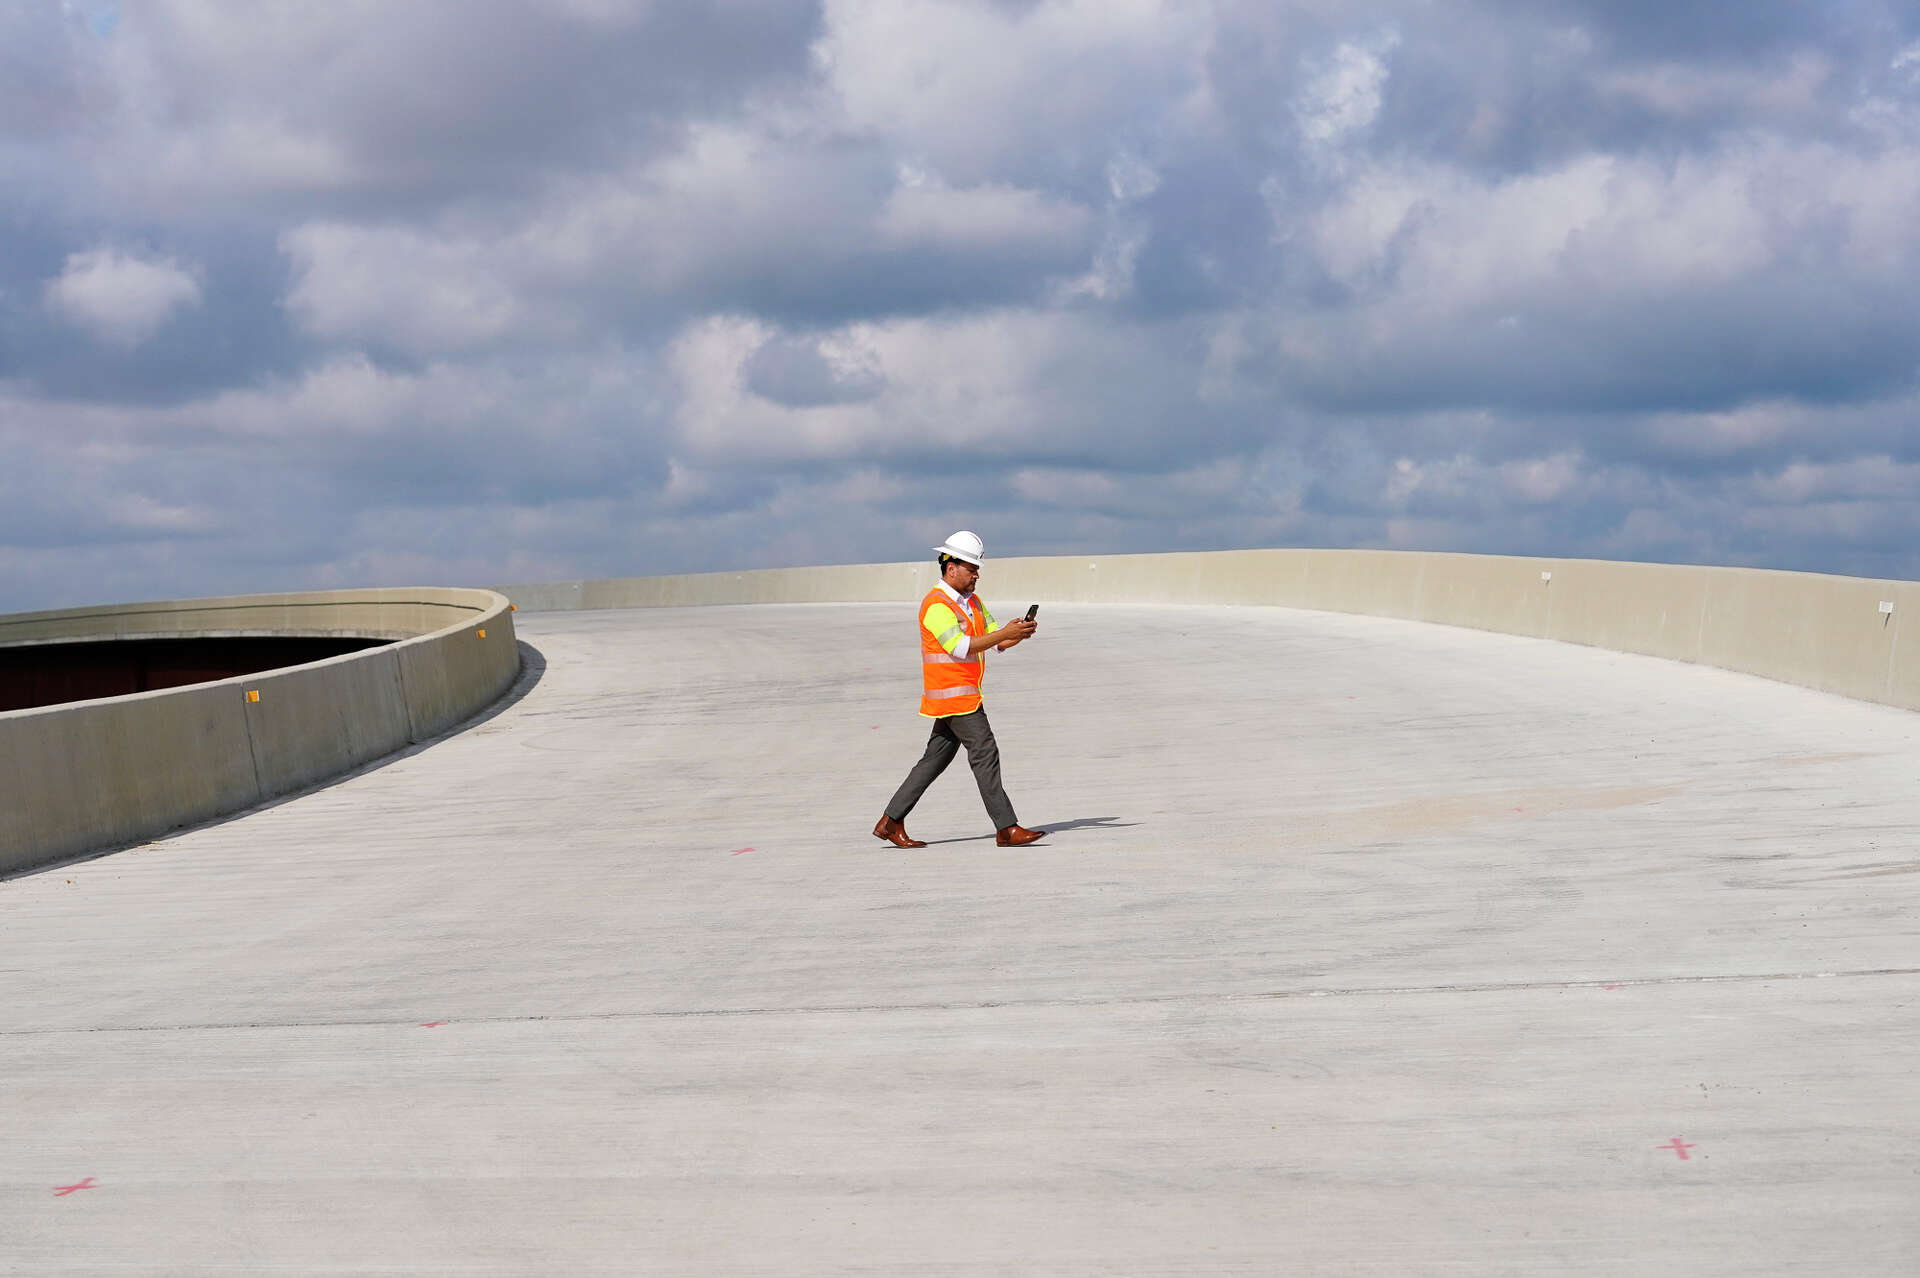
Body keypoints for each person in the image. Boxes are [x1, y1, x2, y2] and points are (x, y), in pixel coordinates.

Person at [873, 531, 1046, 849]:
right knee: (985, 752)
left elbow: (998, 640)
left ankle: (890, 821)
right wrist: (1003, 634)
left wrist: (1018, 633)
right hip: (955, 695)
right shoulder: (936, 605)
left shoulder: (973, 603)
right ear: (950, 567)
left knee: (934, 760)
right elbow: (961, 647)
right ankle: (1006, 828)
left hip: (961, 695)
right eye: (971, 568)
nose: (976, 575)